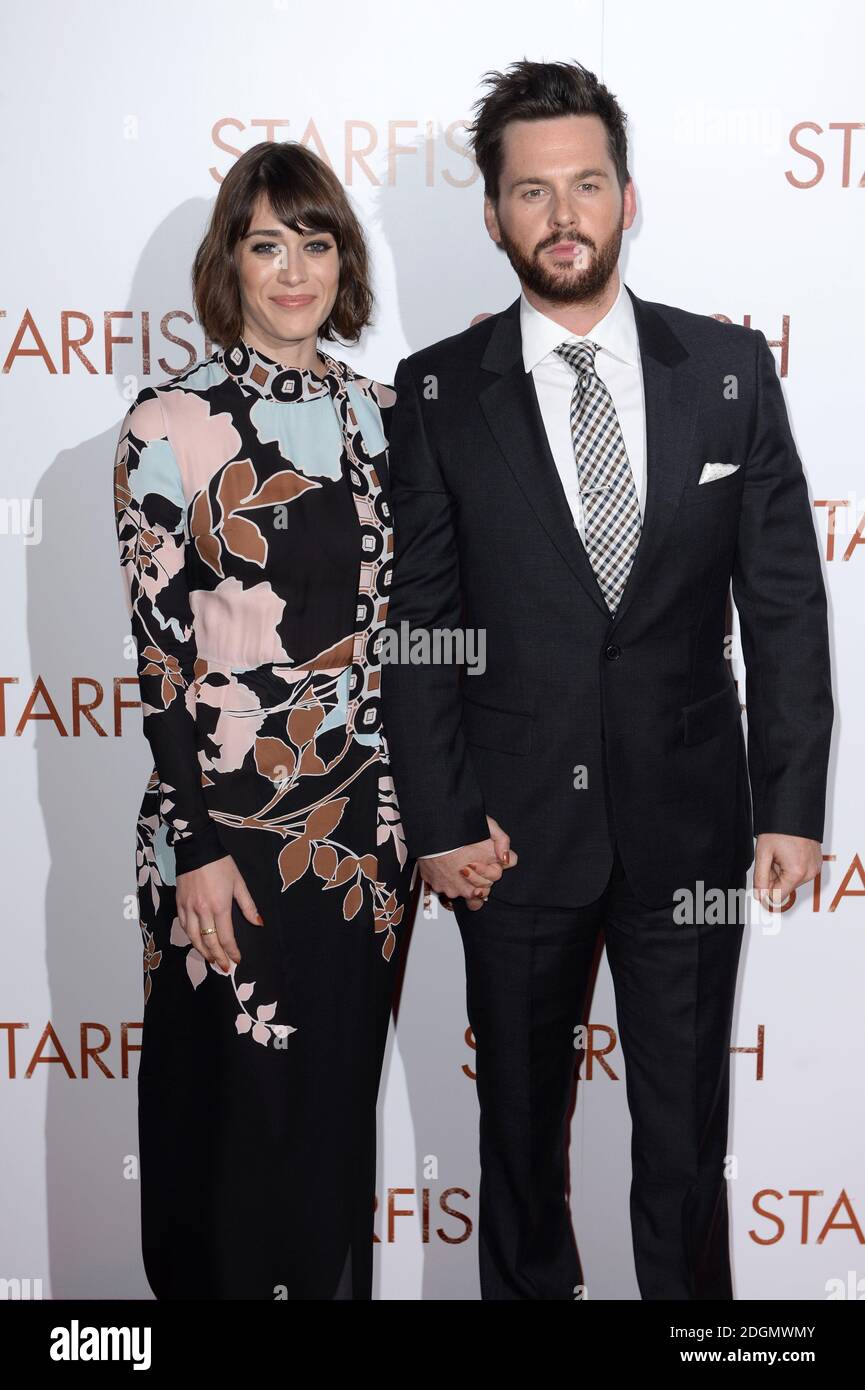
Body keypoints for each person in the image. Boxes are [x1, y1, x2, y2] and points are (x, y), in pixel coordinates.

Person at [381, 59, 833, 1299]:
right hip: (506, 838)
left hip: (688, 824)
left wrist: (788, 802)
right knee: (518, 1141)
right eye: (533, 192)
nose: (562, 213)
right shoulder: (432, 392)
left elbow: (783, 600)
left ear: (629, 198)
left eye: (586, 184)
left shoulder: (729, 371)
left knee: (685, 1141)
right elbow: (420, 625)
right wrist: (437, 818)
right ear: (492, 215)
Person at [113, 140, 413, 1299]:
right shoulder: (169, 425)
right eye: (267, 243)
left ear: (344, 260)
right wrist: (193, 844)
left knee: (327, 1139)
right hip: (214, 833)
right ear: (229, 262)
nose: (294, 270)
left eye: (317, 240)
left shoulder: (393, 425)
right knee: (217, 1136)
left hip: (352, 848)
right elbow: (160, 661)